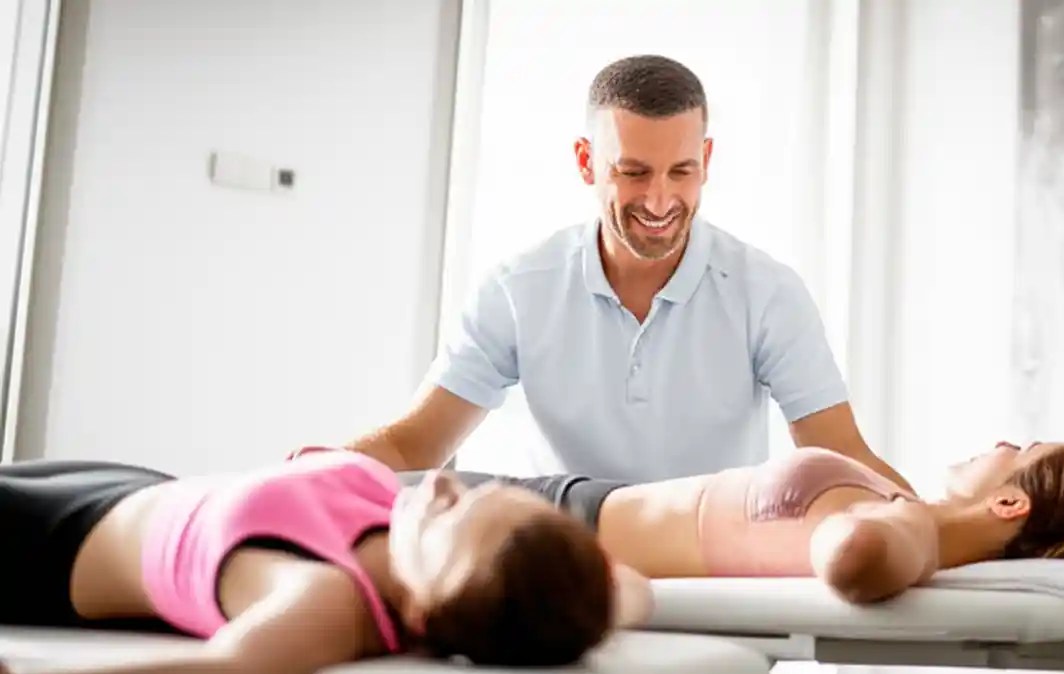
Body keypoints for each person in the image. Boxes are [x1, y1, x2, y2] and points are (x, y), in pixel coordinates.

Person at [332, 53, 911, 493]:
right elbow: (416, 442)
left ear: (706, 161)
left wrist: (955, 528)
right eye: (633, 173)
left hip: (712, 569)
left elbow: (843, 457)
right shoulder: (518, 290)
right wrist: (311, 477)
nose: (659, 201)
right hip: (565, 567)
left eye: (681, 172)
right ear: (587, 162)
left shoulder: (767, 294)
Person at [0, 451, 650, 674]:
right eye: (484, 495)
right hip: (132, 484)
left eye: (449, 514)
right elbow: (627, 587)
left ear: (422, 615)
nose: (448, 486)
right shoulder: (412, 538)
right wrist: (586, 608)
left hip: (45, 547)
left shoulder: (328, 601)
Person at [445, 440, 1064, 602]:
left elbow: (853, 555)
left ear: (1012, 503)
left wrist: (896, 526)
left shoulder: (906, 527)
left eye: (1021, 446)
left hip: (532, 522)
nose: (1001, 444)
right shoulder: (903, 509)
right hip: (554, 501)